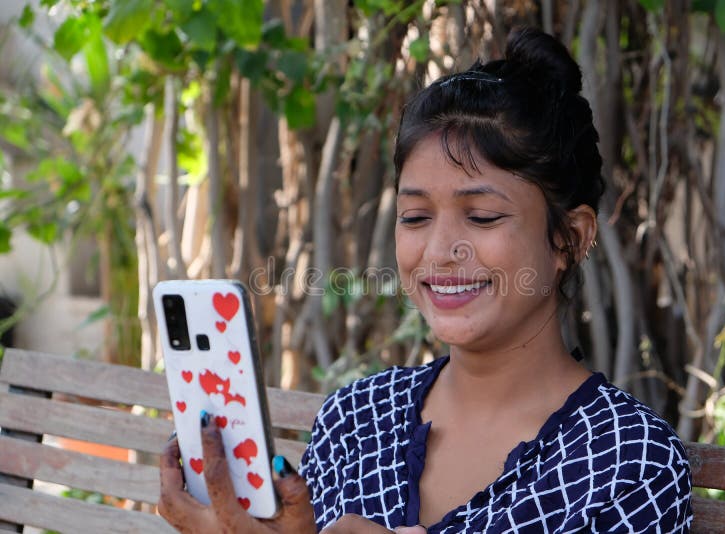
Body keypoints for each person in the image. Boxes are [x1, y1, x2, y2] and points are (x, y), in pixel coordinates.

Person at [159, 28, 693, 533]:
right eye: (415, 218)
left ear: (569, 238)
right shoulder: (356, 420)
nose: (439, 250)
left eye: (482, 217)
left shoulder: (627, 465)